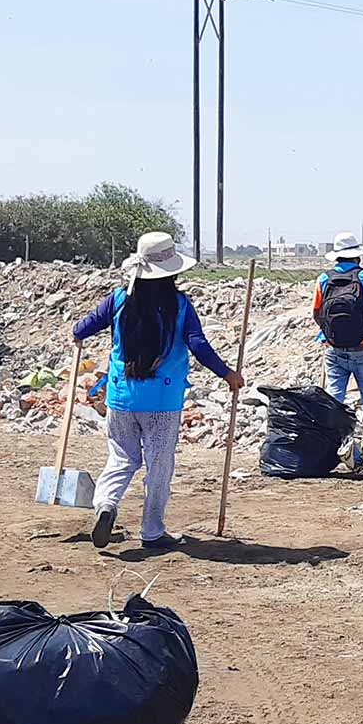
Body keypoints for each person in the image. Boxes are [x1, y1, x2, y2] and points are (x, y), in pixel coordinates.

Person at [72, 232, 241, 551]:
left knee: (121, 456)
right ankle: (152, 531)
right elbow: (198, 345)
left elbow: (83, 327)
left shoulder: (119, 298)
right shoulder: (179, 305)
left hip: (122, 397)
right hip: (162, 401)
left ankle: (106, 504)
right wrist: (227, 374)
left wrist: (78, 336)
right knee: (159, 465)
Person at [311, 232, 363, 454]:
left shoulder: (323, 279)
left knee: (336, 398)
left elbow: (317, 313)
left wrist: (330, 333)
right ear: (358, 257)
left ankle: (340, 445)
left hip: (333, 350)